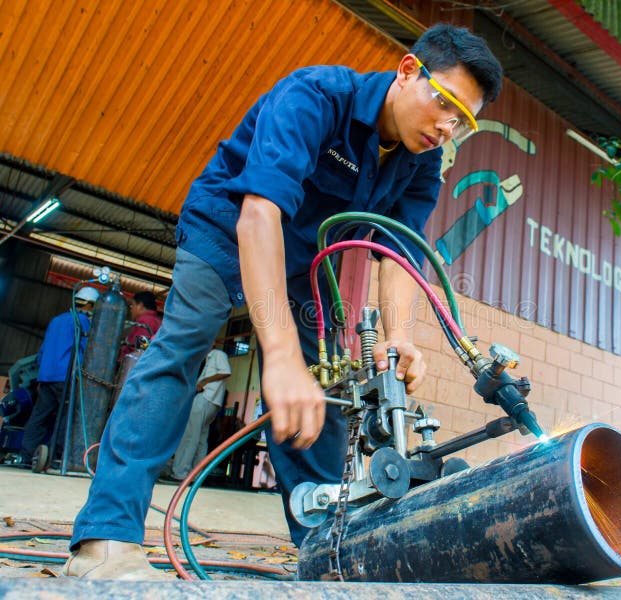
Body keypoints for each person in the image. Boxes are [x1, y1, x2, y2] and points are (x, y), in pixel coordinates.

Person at [64, 24, 502, 580]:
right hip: (226, 228)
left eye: (462, 120)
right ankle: (105, 538)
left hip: (301, 263)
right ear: (409, 70)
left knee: (322, 385)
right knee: (185, 345)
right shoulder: (316, 97)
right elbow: (259, 215)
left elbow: (396, 253)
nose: (447, 126)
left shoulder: (421, 164)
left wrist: (400, 339)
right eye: (444, 103)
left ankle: (329, 553)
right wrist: (278, 353)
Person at [18, 286, 100, 471]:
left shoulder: (56, 321)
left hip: (46, 376)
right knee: (66, 416)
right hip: (66, 377)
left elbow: (43, 351)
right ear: (88, 305)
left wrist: (42, 373)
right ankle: (55, 457)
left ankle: (26, 456)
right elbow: (88, 351)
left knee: (39, 416)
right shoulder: (81, 321)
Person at [168, 347, 231, 480]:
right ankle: (197, 474)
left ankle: (181, 472)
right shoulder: (208, 359)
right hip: (211, 402)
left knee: (190, 436)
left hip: (206, 398)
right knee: (201, 439)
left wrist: (204, 382)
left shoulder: (217, 354)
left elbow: (226, 371)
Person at [120, 291, 162, 357]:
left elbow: (141, 350)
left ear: (140, 306)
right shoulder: (156, 321)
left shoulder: (146, 321)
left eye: (132, 305)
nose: (131, 309)